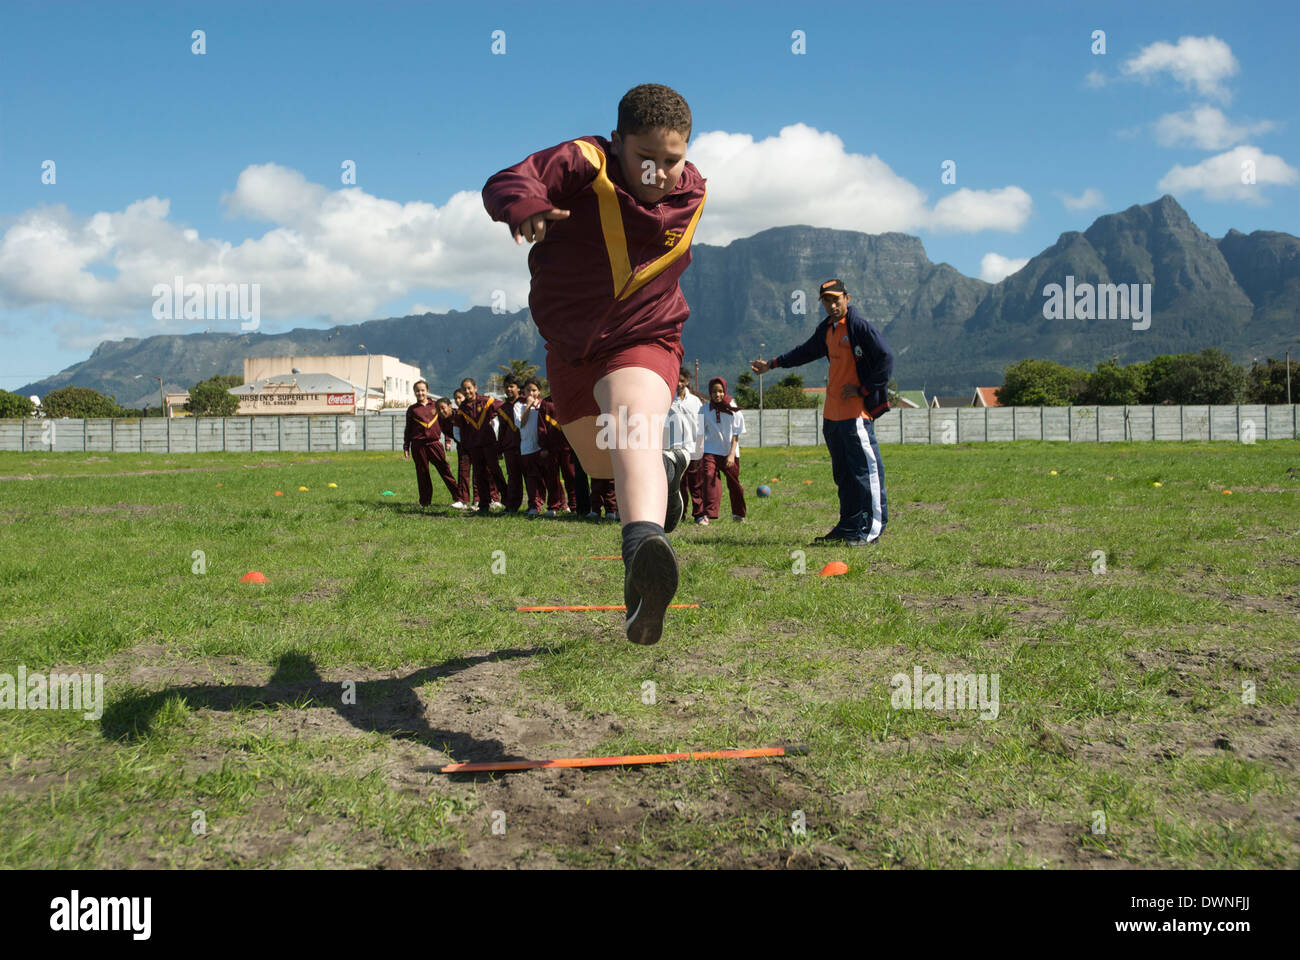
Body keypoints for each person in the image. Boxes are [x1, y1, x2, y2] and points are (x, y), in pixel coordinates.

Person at [482, 83, 704, 645]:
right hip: (570, 348)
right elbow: (511, 180)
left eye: (671, 161)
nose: (658, 175)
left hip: (644, 337)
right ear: (618, 142)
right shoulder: (585, 161)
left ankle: (641, 561)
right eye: (644, 160)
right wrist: (527, 204)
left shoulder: (692, 190)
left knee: (632, 426)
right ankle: (667, 475)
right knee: (602, 464)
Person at [751, 278, 892, 545]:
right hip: (833, 416)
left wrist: (864, 389)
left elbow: (886, 358)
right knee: (844, 475)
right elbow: (804, 352)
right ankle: (848, 527)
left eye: (836, 298)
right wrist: (772, 364)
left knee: (866, 472)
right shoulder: (827, 329)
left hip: (855, 414)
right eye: (827, 300)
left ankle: (871, 529)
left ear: (847, 298)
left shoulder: (859, 327)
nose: (832, 304)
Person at [455, 378, 507, 516]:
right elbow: (462, 430)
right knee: (479, 475)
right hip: (474, 447)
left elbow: (503, 408)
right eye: (464, 389)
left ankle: (508, 499)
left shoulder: (486, 401)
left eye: (469, 388)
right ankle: (484, 503)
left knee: (495, 471)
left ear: (475, 388)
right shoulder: (462, 409)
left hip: (488, 443)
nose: (467, 391)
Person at [699, 377, 746, 524]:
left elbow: (736, 434)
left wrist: (731, 455)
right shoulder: (704, 410)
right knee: (708, 476)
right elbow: (700, 432)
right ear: (710, 393)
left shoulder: (733, 409)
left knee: (734, 484)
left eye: (720, 391)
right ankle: (708, 513)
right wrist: (698, 453)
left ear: (724, 391)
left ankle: (738, 514)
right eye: (714, 392)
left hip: (729, 452)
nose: (717, 394)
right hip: (711, 450)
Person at [403, 381, 459, 507]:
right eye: (417, 391)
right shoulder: (412, 410)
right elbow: (408, 429)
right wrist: (406, 446)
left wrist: (448, 441)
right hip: (418, 446)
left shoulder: (435, 405)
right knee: (422, 474)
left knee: (445, 470)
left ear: (427, 390)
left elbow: (445, 423)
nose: (420, 393)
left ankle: (459, 498)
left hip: (434, 444)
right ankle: (425, 502)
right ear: (414, 392)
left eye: (422, 390)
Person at [664, 367, 705, 523]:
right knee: (678, 484)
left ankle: (699, 514)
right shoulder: (667, 399)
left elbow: (700, 425)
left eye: (682, 381)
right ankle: (680, 513)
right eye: (677, 380)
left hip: (691, 448)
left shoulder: (695, 402)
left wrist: (699, 446)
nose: (679, 384)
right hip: (673, 448)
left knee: (696, 483)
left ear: (688, 381)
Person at [517, 377, 549, 515]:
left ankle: (551, 503)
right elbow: (521, 423)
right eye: (528, 390)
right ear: (523, 391)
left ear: (539, 392)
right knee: (530, 478)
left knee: (545, 477)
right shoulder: (518, 406)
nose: (531, 393)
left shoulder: (544, 405)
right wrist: (529, 406)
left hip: (541, 447)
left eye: (534, 390)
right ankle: (534, 505)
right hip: (527, 447)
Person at [497, 375, 525, 513]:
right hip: (510, 447)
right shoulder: (502, 409)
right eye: (506, 386)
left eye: (512, 386)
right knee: (513, 478)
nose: (509, 389)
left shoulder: (526, 403)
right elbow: (502, 430)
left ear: (518, 388)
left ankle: (535, 505)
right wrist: (500, 448)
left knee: (531, 476)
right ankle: (512, 505)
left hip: (526, 445)